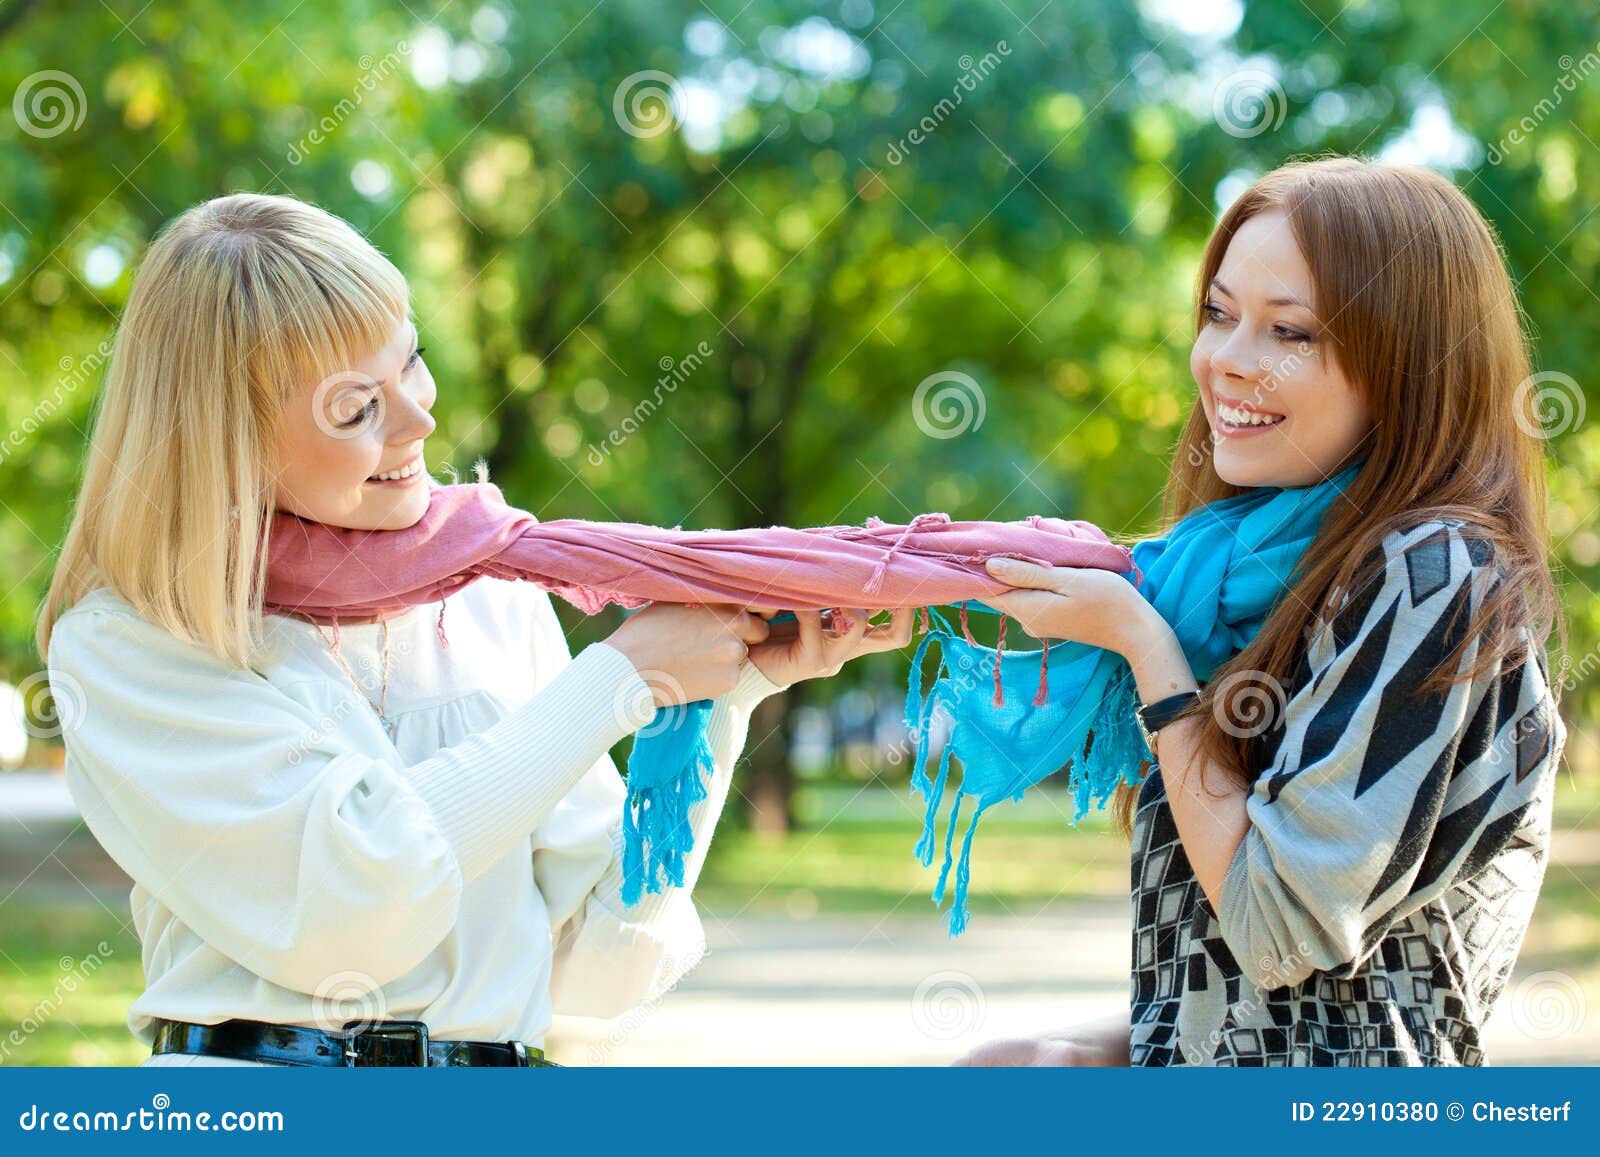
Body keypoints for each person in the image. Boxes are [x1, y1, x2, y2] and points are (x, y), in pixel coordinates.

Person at [37, 192, 910, 1068]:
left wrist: (721, 688)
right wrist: (617, 680)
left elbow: (598, 964)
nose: (417, 418)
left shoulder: (489, 591)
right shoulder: (131, 643)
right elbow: (353, 907)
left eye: (410, 363)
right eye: (355, 408)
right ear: (231, 439)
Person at [958, 156, 1568, 1066]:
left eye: (1289, 331)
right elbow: (1267, 1006)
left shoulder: (1438, 576)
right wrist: (1091, 1056)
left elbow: (1277, 929)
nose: (1228, 361)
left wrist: (1142, 646)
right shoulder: (1237, 580)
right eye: (1217, 313)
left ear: (1407, 365)